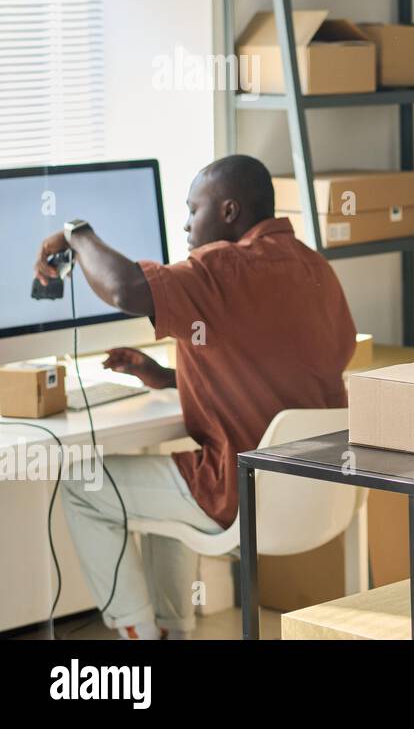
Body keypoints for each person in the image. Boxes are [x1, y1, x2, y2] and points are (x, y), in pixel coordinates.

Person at [34, 154, 356, 639]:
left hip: (239, 495)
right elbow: (284, 375)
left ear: (228, 212)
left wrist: (77, 233)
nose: (184, 224)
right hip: (321, 495)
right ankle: (173, 632)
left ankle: (139, 633)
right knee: (174, 472)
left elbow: (125, 290)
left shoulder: (222, 268)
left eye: (192, 209)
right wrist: (167, 377)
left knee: (84, 485)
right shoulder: (316, 270)